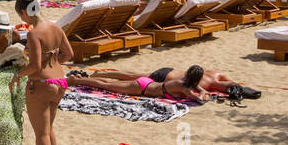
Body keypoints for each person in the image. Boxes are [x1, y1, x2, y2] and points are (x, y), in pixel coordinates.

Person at [9, 0, 72, 145]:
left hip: (42, 85)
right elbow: (68, 53)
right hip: (60, 81)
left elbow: (35, 65)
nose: (23, 20)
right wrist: (52, 64)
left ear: (23, 12)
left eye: (21, 16)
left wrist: (17, 76)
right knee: (49, 129)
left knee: (41, 133)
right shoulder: (56, 28)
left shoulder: (34, 33)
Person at [69, 65, 209, 102]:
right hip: (142, 88)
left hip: (147, 83)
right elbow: (198, 97)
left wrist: (202, 91)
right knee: (106, 85)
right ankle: (75, 80)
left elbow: (199, 88)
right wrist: (204, 95)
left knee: (111, 82)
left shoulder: (184, 81)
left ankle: (81, 78)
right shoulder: (185, 87)